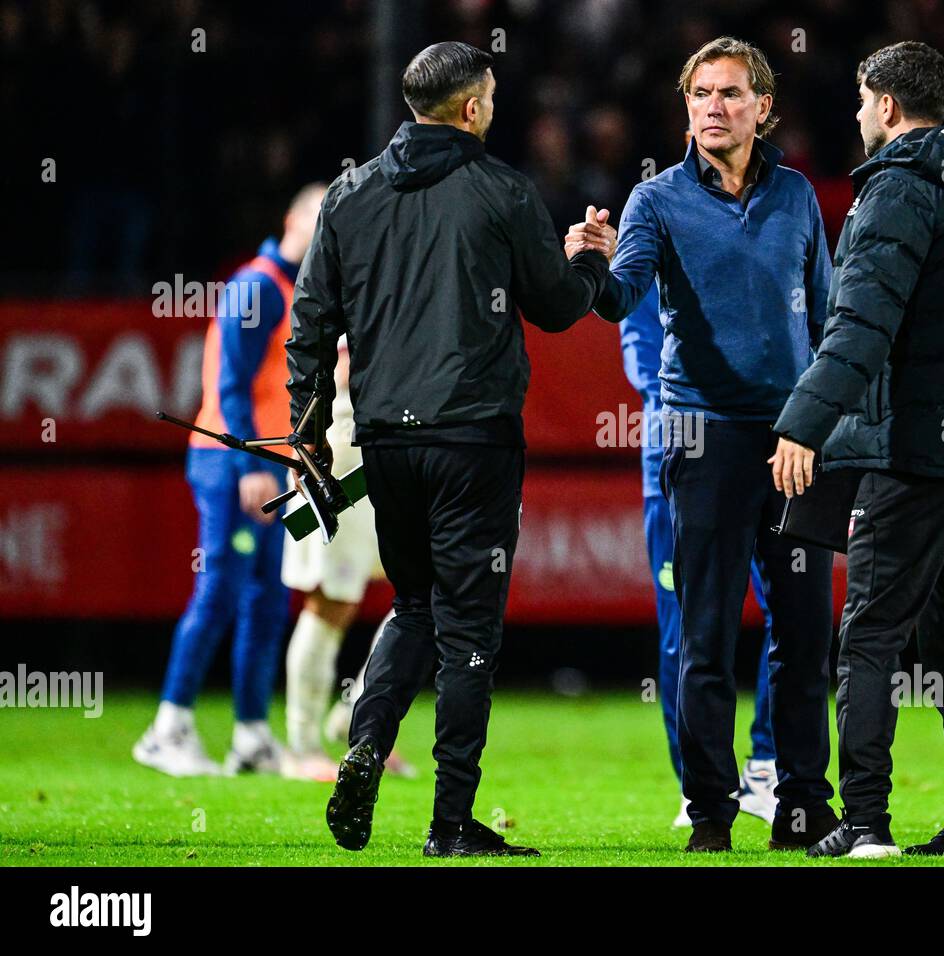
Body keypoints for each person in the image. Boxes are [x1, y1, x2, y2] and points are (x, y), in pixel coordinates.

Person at [286, 41, 614, 858]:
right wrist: (587, 261)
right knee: (470, 630)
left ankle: (363, 744)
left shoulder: (349, 193)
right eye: (492, 95)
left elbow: (309, 329)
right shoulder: (501, 191)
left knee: (414, 604)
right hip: (474, 441)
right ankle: (448, 824)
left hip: (386, 442)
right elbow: (555, 306)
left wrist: (310, 435)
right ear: (472, 106)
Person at [570, 36, 836, 853]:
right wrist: (587, 267)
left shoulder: (796, 197)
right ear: (685, 109)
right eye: (700, 95)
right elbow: (623, 299)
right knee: (708, 633)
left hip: (793, 442)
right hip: (704, 437)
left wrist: (824, 428)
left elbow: (826, 318)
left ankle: (801, 806)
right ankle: (711, 812)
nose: (713, 108)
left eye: (730, 94)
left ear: (764, 108)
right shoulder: (654, 201)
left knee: (803, 637)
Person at [769, 41, 944, 859]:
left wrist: (802, 422)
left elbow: (861, 327)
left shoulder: (896, 188)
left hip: (918, 442)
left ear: (886, 106)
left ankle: (866, 821)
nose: (856, 117)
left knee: (872, 633)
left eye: (860, 102)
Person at [133, 184, 326, 778]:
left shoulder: (289, 289)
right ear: (292, 219)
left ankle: (251, 736)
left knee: (268, 599)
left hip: (272, 465)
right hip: (233, 465)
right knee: (219, 589)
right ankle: (167, 728)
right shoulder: (258, 286)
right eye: (320, 218)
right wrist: (247, 465)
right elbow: (229, 384)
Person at [619, 284, 779, 827]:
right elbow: (642, 358)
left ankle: (766, 765)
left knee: (793, 614)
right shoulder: (653, 233)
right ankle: (701, 784)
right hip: (677, 469)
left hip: (760, 457)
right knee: (683, 635)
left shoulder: (748, 231)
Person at [279, 336, 413, 782]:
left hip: (389, 450)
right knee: (329, 602)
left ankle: (359, 717)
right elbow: (317, 359)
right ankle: (301, 747)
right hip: (338, 448)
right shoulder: (349, 274)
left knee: (420, 596)